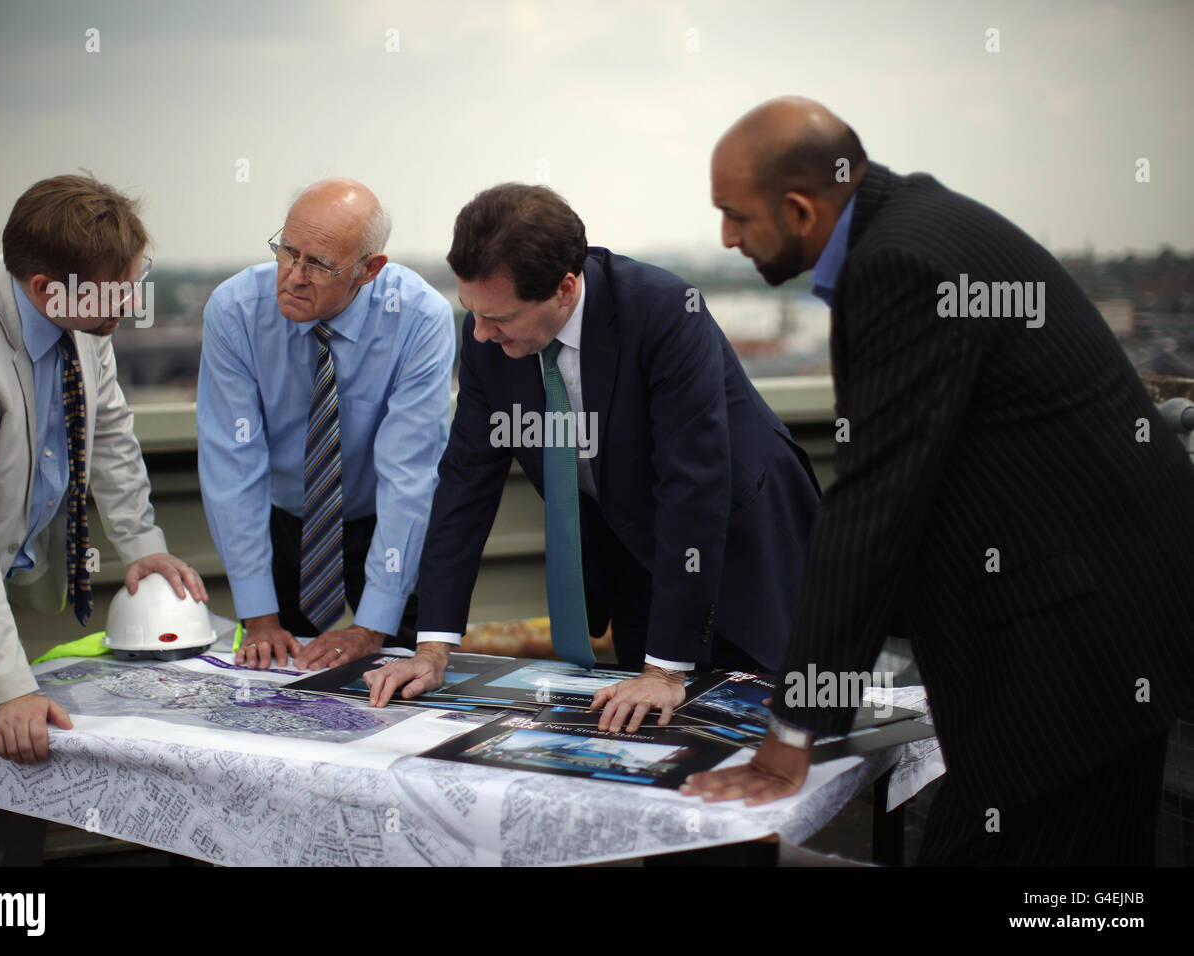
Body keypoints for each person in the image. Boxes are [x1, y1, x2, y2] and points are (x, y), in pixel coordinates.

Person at [683, 97, 1194, 865]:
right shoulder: (917, 225)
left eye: (734, 215)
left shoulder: (898, 264)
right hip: (1120, 621)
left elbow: (871, 509)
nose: (726, 237)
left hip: (1067, 646)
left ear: (797, 208)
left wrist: (793, 732)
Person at [364, 183, 820, 732]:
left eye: (500, 319)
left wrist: (666, 670)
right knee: (648, 734)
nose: (481, 335)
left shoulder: (665, 310)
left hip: (742, 542)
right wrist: (432, 647)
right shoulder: (487, 329)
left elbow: (693, 486)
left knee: (762, 733)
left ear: (565, 288)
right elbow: (465, 483)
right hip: (633, 549)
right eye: (471, 311)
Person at [0, 173, 204, 864]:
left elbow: (114, 431)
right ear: (44, 288)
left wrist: (142, 545)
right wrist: (9, 692)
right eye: (116, 289)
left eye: (134, 279)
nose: (130, 301)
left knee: (9, 803)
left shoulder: (82, 311)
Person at [198, 179, 455, 672]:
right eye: (287, 252)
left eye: (317, 264)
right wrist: (259, 616)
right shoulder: (235, 311)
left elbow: (410, 475)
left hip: (387, 517)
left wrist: (370, 627)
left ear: (368, 269)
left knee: (405, 677)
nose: (293, 277)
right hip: (283, 523)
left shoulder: (420, 318)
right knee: (274, 677)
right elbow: (234, 466)